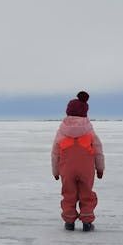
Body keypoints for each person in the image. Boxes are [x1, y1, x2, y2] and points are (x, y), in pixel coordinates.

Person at [51, 91, 105, 231]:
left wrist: (55, 171)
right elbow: (98, 150)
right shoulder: (89, 131)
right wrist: (100, 168)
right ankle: (87, 222)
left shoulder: (62, 132)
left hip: (66, 169)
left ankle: (69, 222)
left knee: (69, 194)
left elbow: (55, 153)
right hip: (86, 169)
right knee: (86, 193)